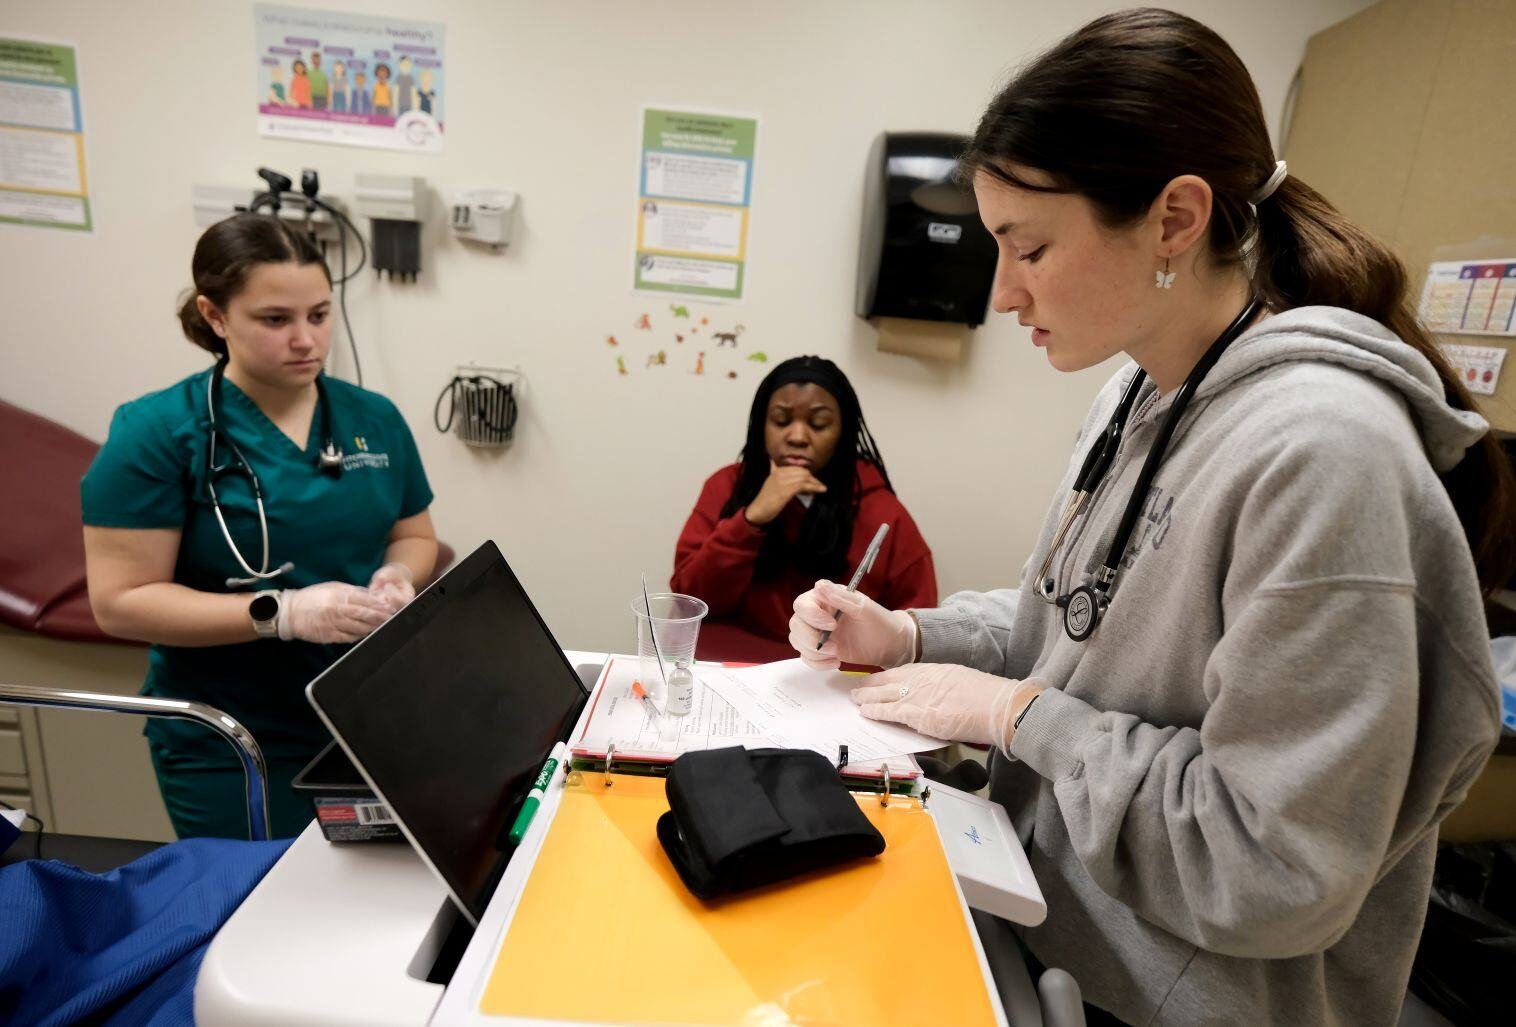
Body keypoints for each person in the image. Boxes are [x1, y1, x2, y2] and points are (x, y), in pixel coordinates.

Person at [789, 10, 1514, 1025]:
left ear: (1174, 218)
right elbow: (1077, 625)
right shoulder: (1137, 394)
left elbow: (1271, 866)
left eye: (1028, 247)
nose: (1001, 294)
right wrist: (913, 634)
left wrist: (1016, 716)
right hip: (1054, 934)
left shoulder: (1324, 457)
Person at [81, 213, 437, 840]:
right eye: (276, 320)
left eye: (320, 315)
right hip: (230, 736)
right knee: (254, 910)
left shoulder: (371, 419)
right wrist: (283, 613)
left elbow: (414, 533)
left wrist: (397, 575)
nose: (307, 340)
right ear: (215, 317)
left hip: (363, 717)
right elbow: (120, 604)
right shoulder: (157, 433)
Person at [674, 356, 935, 658]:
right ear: (761, 425)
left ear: (844, 433)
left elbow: (919, 629)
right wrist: (751, 519)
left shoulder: (883, 512)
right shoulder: (725, 487)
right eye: (781, 421)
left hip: (833, 678)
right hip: (727, 669)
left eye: (819, 423)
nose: (797, 437)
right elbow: (687, 601)